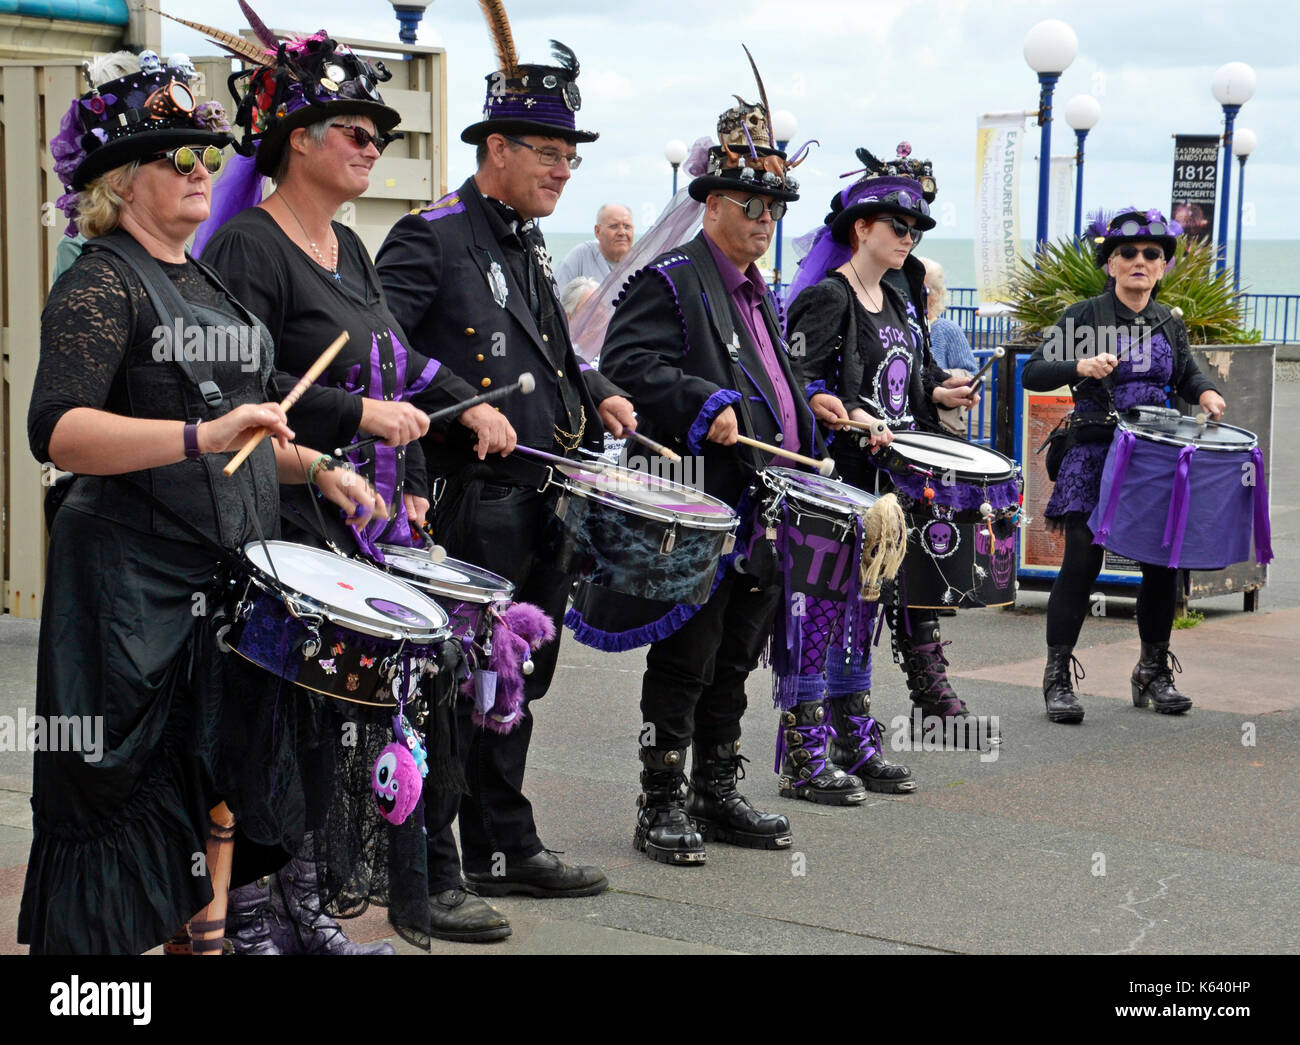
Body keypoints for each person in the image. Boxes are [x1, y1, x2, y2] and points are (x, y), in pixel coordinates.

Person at [20, 52, 384, 954]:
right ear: (119, 180)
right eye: (174, 157)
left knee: (215, 797)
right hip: (125, 591)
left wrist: (315, 467)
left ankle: (209, 947)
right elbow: (58, 430)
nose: (199, 171)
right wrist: (202, 440)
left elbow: (243, 426)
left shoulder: (204, 279)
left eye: (206, 156)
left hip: (219, 581)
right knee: (118, 807)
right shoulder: (100, 279)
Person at [196, 26, 512, 951]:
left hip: (354, 528)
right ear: (297, 136)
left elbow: (397, 366)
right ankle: (252, 916)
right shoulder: (252, 249)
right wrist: (352, 431)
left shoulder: (350, 246)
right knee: (270, 726)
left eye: (381, 132)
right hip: (278, 519)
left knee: (325, 728)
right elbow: (239, 401)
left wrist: (427, 450)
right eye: (355, 129)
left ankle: (304, 908)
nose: (374, 144)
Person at [375, 35, 634, 940]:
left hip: (537, 494)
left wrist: (597, 389)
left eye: (571, 156)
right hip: (465, 500)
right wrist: (455, 407)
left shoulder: (523, 243)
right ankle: (432, 867)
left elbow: (553, 350)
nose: (564, 170)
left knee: (512, 680)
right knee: (455, 691)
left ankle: (503, 843)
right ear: (496, 151)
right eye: (550, 153)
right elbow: (384, 351)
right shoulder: (431, 235)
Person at [598, 89, 852, 863]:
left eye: (775, 205)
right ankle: (660, 800)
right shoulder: (669, 279)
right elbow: (626, 368)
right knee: (686, 658)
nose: (766, 218)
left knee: (736, 656)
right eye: (752, 203)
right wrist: (702, 402)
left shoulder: (759, 293)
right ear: (711, 203)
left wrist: (810, 401)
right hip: (701, 508)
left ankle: (715, 786)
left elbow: (773, 374)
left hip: (764, 510)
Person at [784, 170, 985, 760]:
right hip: (846, 481)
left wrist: (940, 393)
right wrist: (843, 411)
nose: (910, 238)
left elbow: (911, 378)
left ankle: (855, 741)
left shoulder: (898, 298)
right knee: (827, 612)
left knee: (865, 611)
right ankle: (809, 751)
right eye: (899, 226)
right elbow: (798, 382)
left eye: (917, 229)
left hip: (895, 482)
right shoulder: (828, 297)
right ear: (860, 228)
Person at [1023, 209, 1226, 722]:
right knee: (1082, 564)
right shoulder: (1084, 316)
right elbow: (1035, 372)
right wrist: (1080, 365)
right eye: (1129, 253)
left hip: (1154, 458)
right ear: (1110, 262)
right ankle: (1057, 680)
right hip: (1095, 453)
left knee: (1163, 565)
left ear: (1162, 267)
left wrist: (1206, 394)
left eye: (1152, 254)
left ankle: (1152, 671)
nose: (1140, 261)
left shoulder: (1169, 320)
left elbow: (1188, 374)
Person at [916, 256, 978, 373]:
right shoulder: (895, 326)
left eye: (919, 288)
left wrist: (940, 378)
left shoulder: (947, 331)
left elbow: (971, 375)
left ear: (936, 294)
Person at [553, 203, 635, 286]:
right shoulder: (580, 257)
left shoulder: (642, 263)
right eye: (614, 226)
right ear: (597, 231)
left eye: (627, 226)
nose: (622, 232)